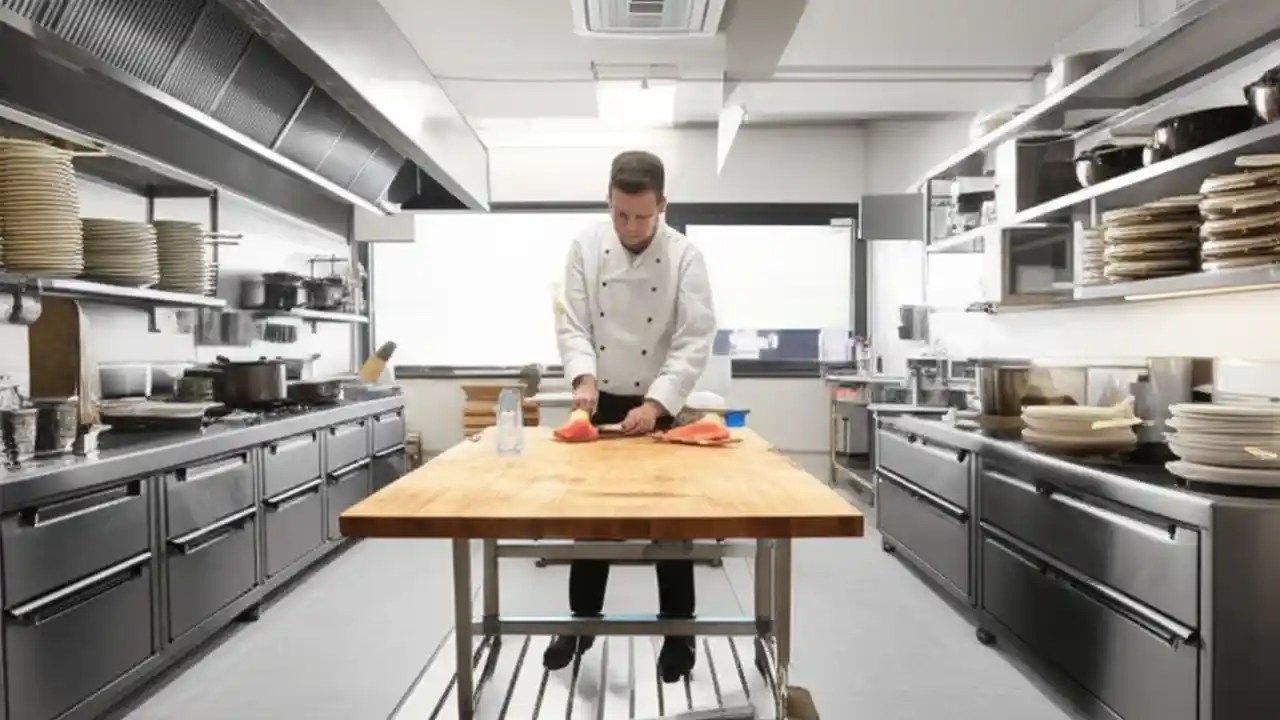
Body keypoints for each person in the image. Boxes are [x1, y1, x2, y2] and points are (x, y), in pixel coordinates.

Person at [545, 150, 716, 682]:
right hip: (600, 400)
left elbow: (693, 339)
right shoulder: (584, 246)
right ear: (609, 201)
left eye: (644, 216)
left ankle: (679, 636)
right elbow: (572, 322)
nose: (632, 226)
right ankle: (580, 624)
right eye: (622, 214)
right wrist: (583, 378)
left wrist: (657, 404)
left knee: (671, 524)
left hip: (661, 404)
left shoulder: (685, 255)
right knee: (592, 522)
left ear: (663, 205)